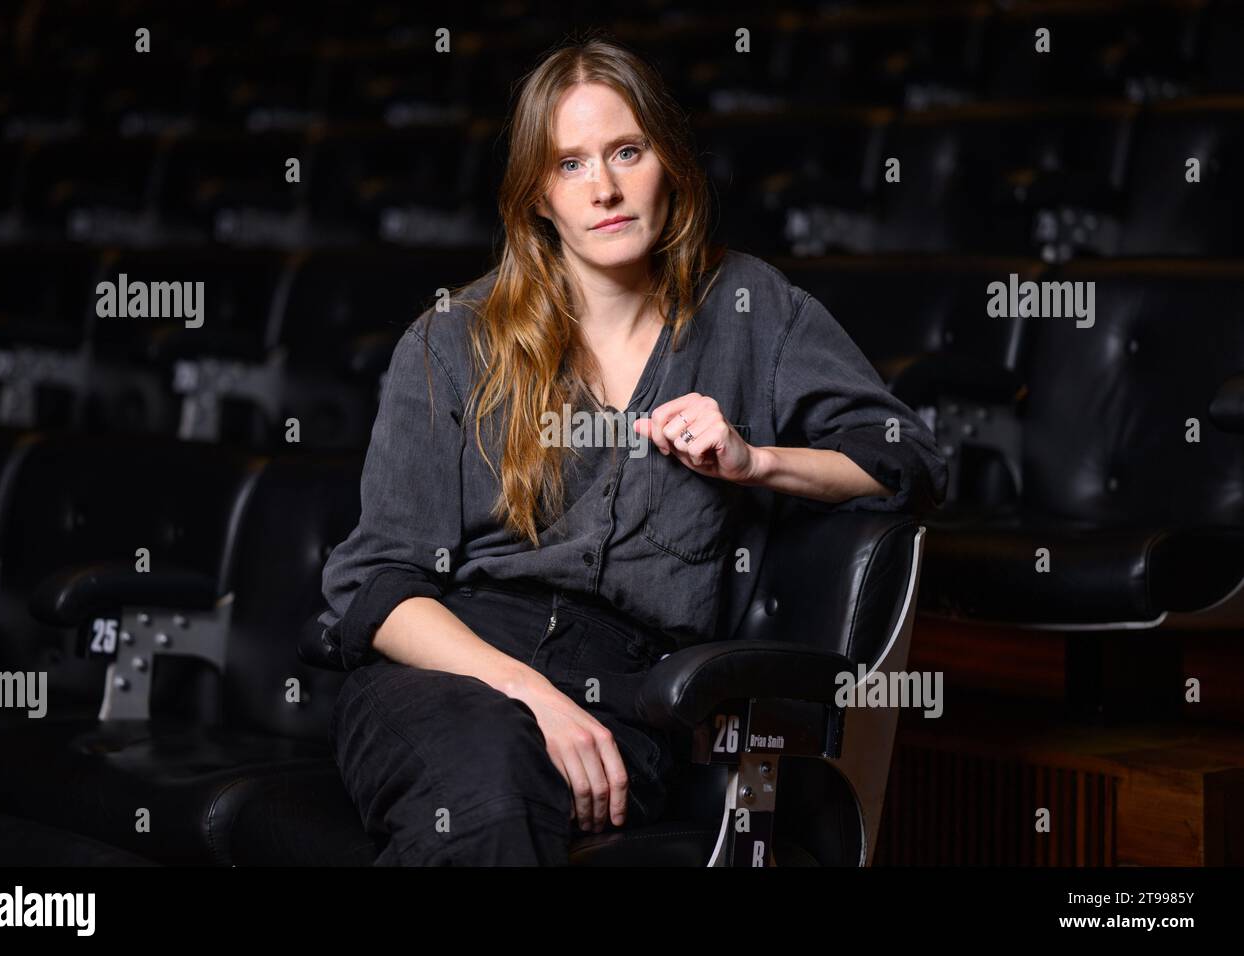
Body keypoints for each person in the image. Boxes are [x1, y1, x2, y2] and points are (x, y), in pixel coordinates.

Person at [320, 36, 948, 866]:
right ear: (538, 196)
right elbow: (378, 583)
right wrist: (530, 693)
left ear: (670, 163)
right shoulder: (454, 338)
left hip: (626, 698)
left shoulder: (749, 307)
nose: (605, 189)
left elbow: (911, 460)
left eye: (626, 151)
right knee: (484, 804)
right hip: (445, 676)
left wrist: (755, 462)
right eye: (570, 165)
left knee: (498, 804)